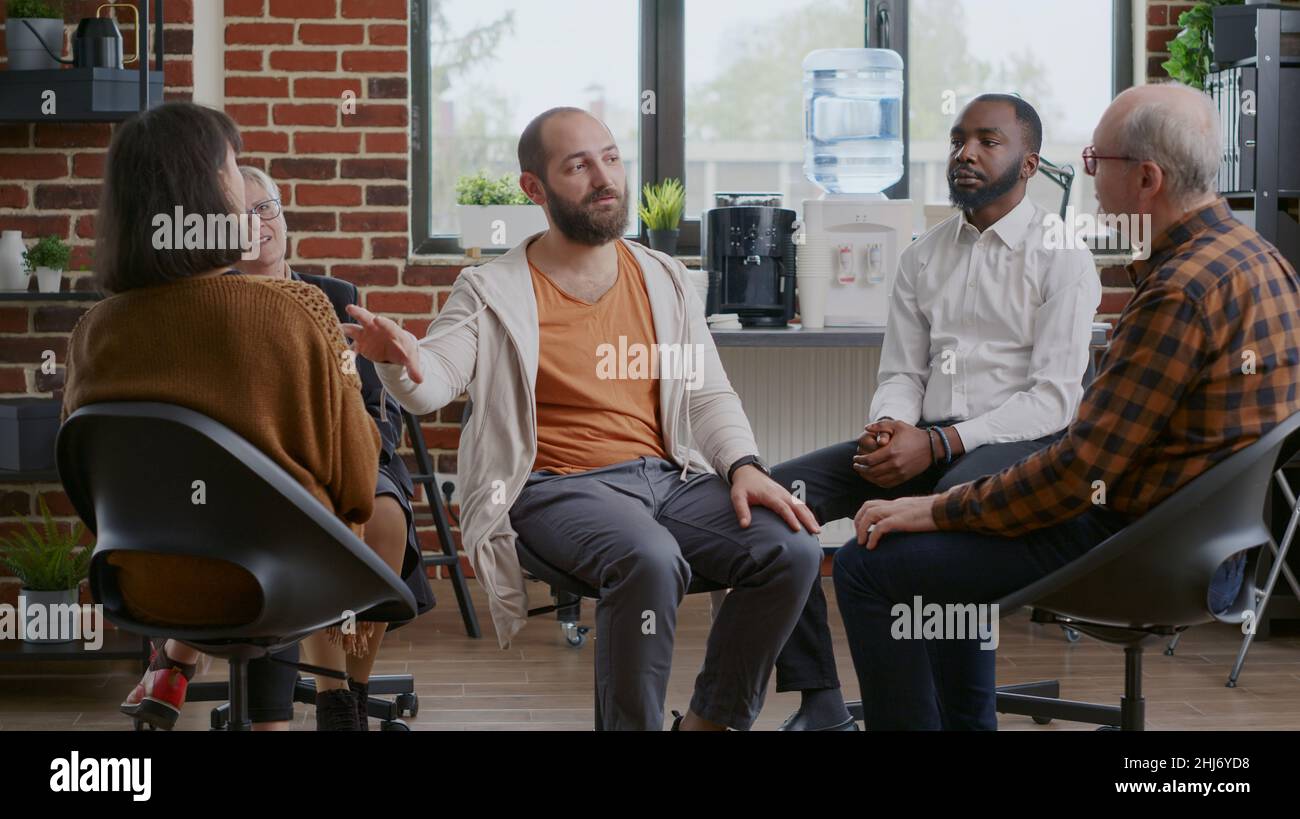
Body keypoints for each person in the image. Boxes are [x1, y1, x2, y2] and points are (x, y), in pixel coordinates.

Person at [837, 82, 1300, 729]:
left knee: (866, 565)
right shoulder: (1262, 261)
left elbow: (1078, 474)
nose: (1087, 177)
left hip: (1134, 547)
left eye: (1095, 162)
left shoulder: (1179, 292)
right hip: (1210, 551)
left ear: (1146, 178)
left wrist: (939, 510)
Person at [344, 106, 823, 730]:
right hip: (555, 487)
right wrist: (399, 360)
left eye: (611, 157)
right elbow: (435, 381)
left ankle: (710, 723)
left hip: (667, 479)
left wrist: (744, 464)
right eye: (579, 165)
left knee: (790, 547)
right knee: (648, 559)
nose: (604, 178)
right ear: (534, 189)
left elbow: (706, 395)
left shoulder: (665, 278)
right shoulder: (491, 289)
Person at [770, 94, 1101, 730]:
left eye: (987, 140)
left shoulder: (1062, 254)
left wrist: (942, 444)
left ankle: (960, 720)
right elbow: (902, 372)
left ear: (1029, 164)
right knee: (780, 499)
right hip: (928, 440)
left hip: (1015, 448)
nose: (966, 153)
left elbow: (1054, 400)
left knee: (951, 491)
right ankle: (820, 700)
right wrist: (891, 425)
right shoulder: (925, 254)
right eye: (957, 140)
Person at [61, 101, 382, 731]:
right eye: (233, 166)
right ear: (206, 192)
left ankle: (178, 669)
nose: (244, 185)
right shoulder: (298, 311)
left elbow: (91, 491)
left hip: (145, 588)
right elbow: (358, 484)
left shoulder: (90, 334)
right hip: (282, 585)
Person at [234, 164, 435, 729]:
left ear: (283, 214)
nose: (256, 224)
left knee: (384, 515)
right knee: (323, 522)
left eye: (265, 208)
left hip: (348, 449)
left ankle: (349, 691)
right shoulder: (216, 302)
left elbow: (373, 402)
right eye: (238, 215)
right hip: (265, 467)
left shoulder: (334, 296)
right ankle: (330, 694)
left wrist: (358, 450)